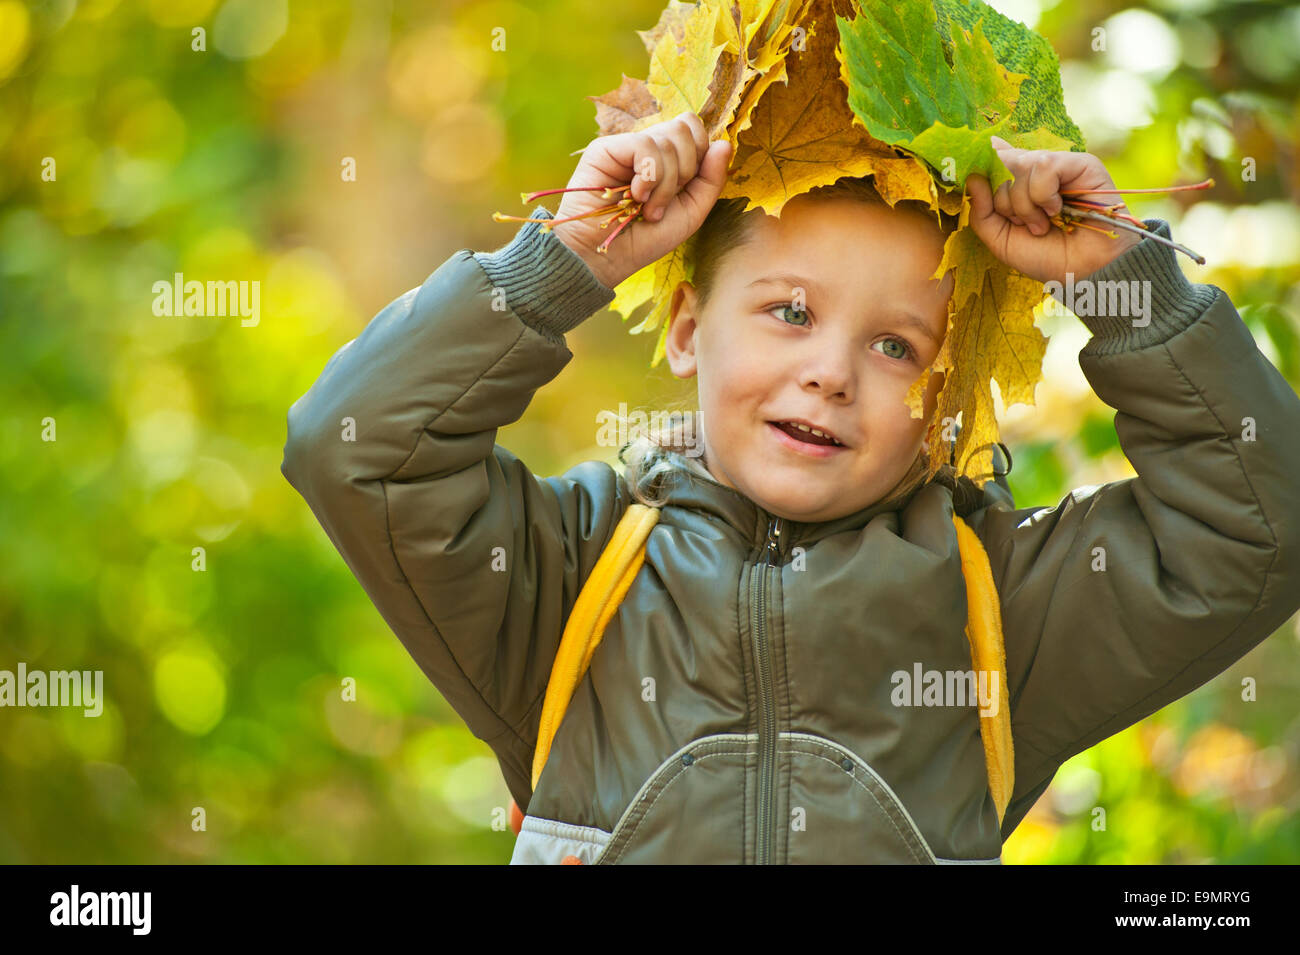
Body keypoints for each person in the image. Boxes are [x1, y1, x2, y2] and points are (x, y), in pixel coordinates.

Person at [281, 111, 1300, 864]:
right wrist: (568, 259)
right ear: (686, 330)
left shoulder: (1000, 611)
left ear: (946, 396)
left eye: (897, 345)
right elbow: (358, 445)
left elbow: (1261, 529)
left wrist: (1124, 285)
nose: (832, 372)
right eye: (788, 312)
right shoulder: (566, 581)